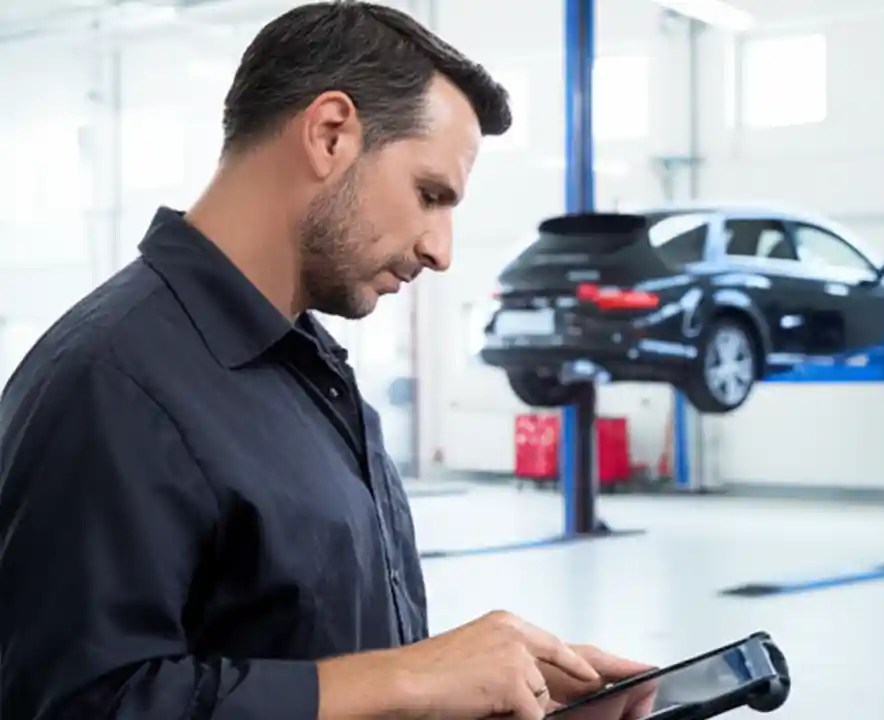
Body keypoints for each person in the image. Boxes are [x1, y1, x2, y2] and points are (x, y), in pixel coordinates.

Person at [0, 2, 653, 718]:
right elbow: (78, 703)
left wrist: (476, 700)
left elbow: (310, 655)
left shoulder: (309, 376)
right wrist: (410, 681)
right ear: (330, 134)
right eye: (430, 195)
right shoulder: (112, 383)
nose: (442, 250)